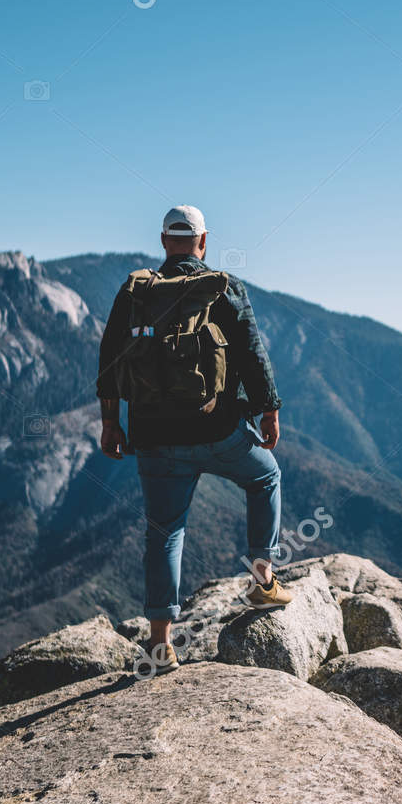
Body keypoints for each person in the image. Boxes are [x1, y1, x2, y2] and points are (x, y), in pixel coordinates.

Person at [96, 204, 292, 673]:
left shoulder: (136, 291)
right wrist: (269, 410)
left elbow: (109, 359)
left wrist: (111, 422)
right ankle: (262, 581)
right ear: (204, 242)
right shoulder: (223, 287)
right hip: (218, 430)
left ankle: (160, 645)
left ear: (164, 241)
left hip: (154, 436)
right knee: (264, 479)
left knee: (165, 531)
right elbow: (252, 354)